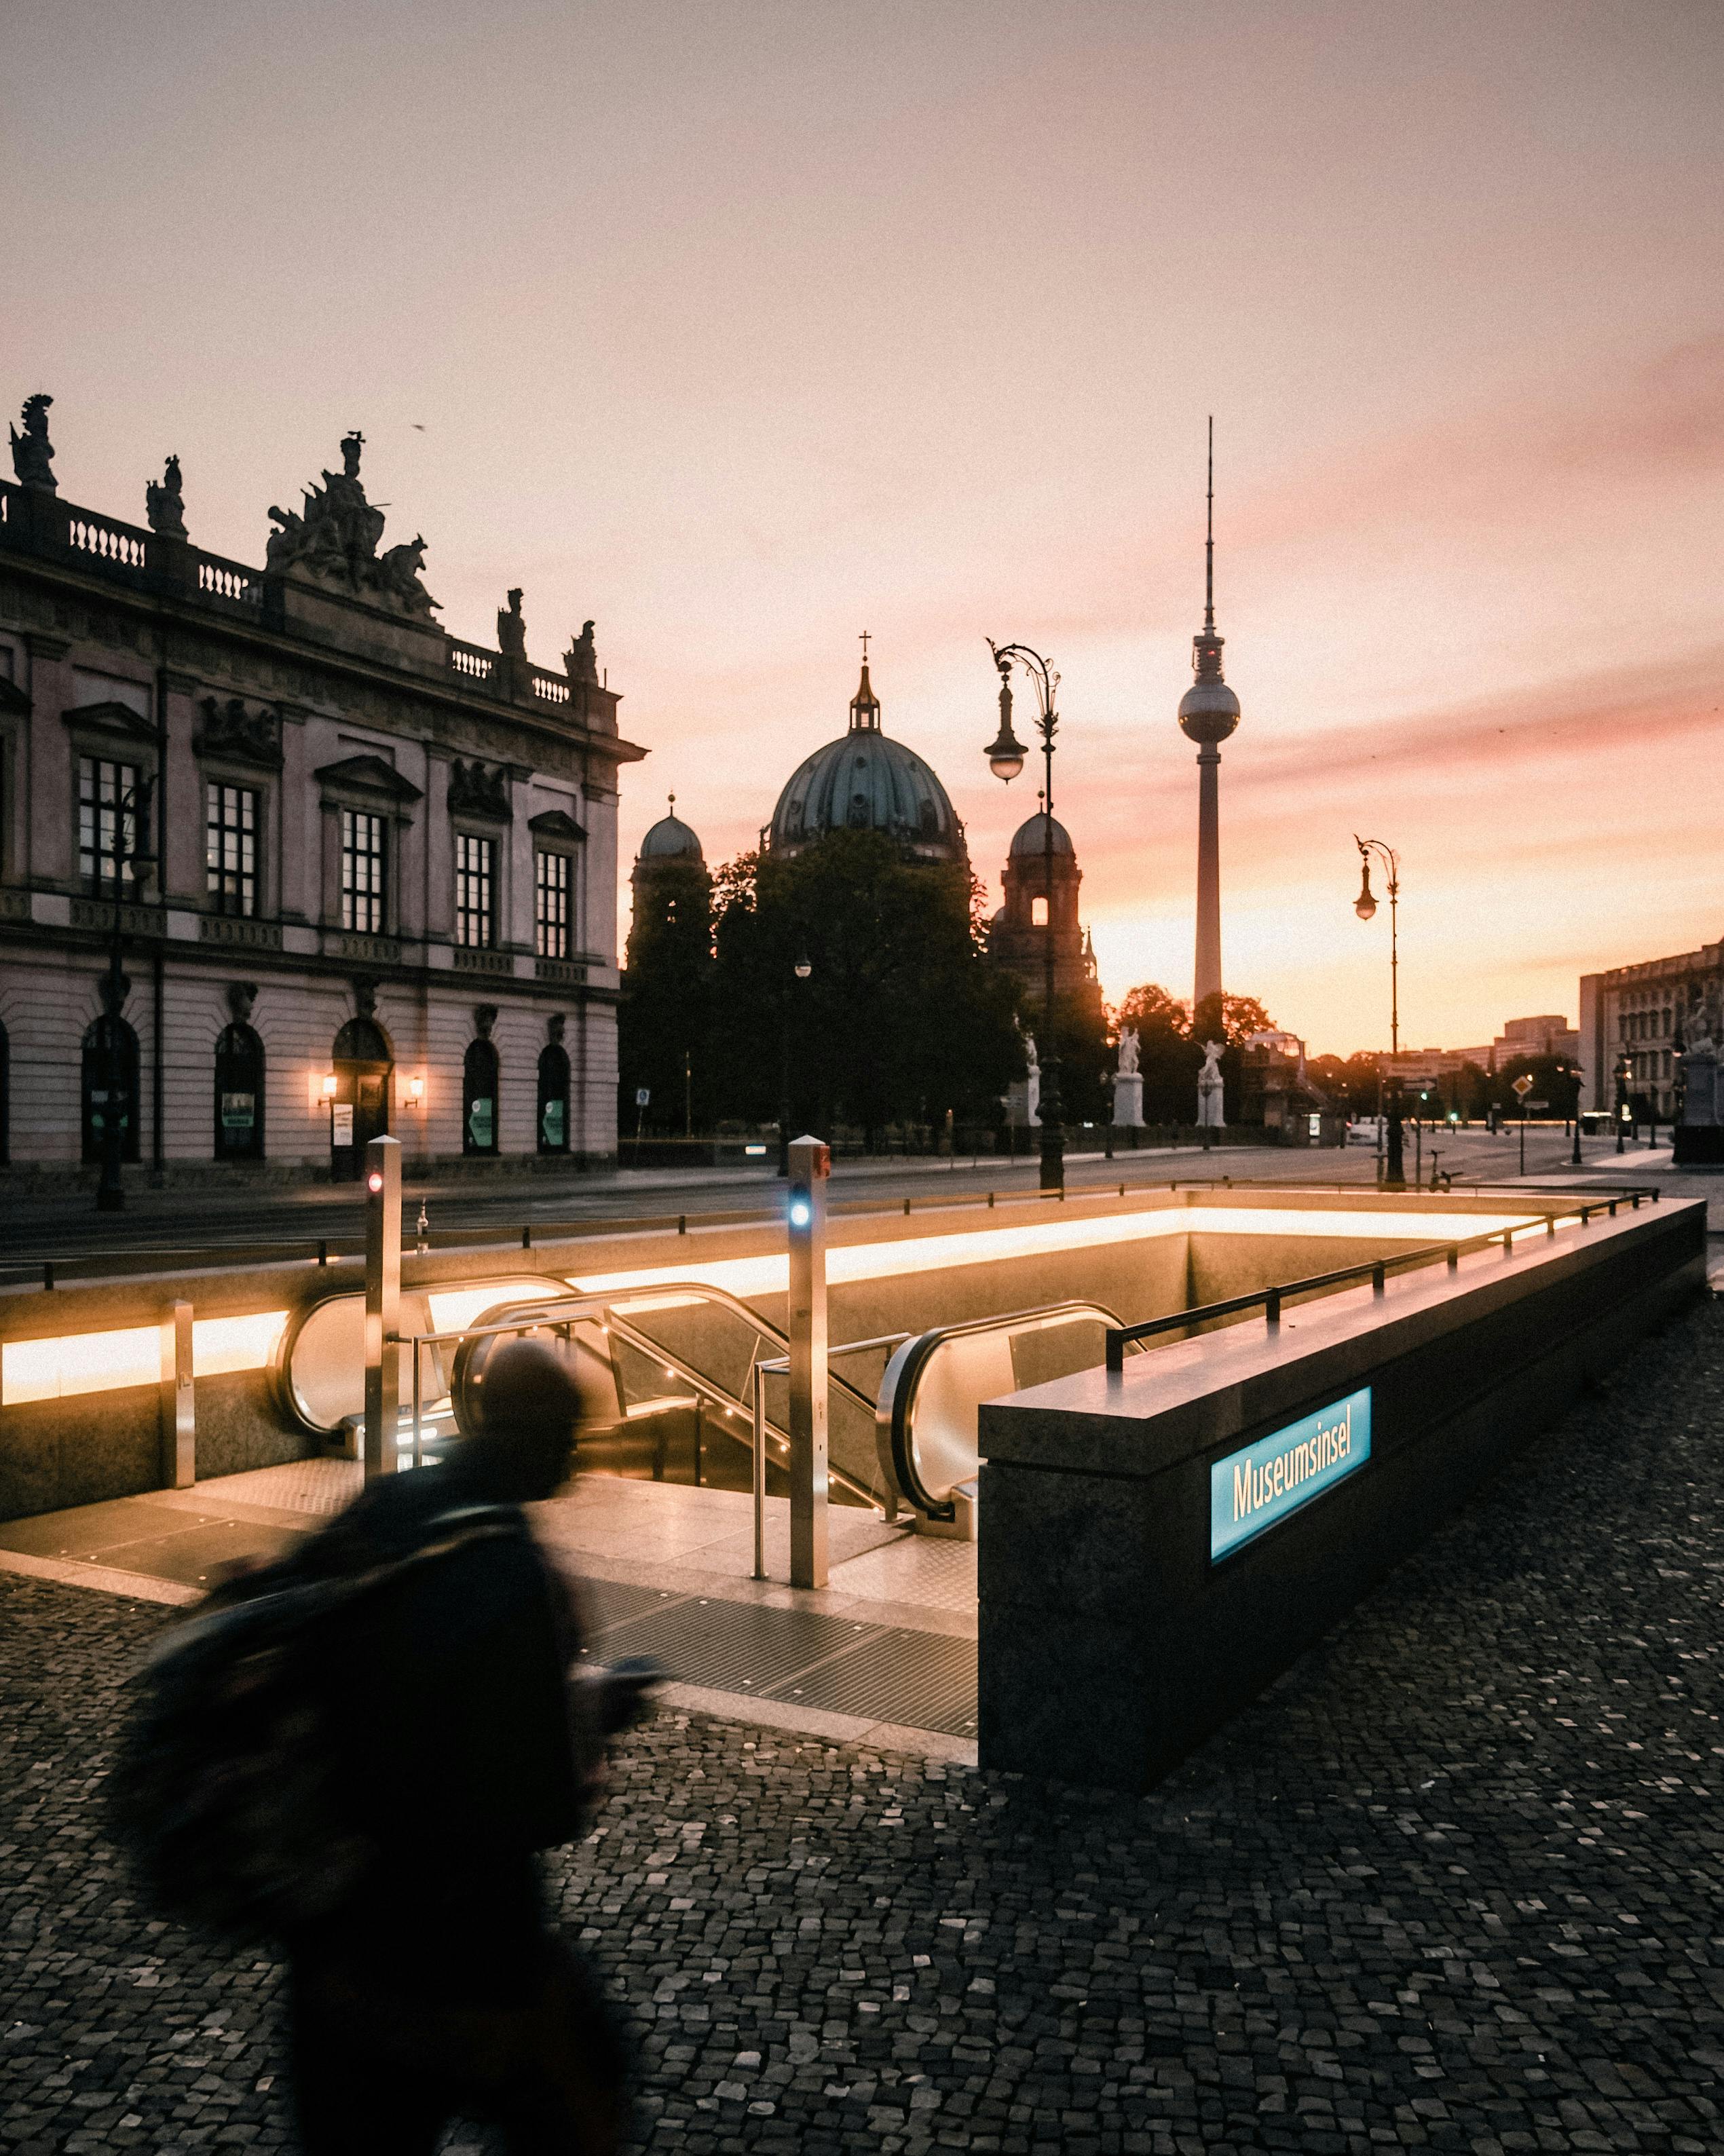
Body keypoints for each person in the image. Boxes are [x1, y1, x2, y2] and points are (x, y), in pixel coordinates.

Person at [283, 1338, 643, 2156]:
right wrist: (596, 1716)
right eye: (570, 1437)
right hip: (459, 1957)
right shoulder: (516, 1574)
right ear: (542, 1439)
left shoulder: (387, 1505)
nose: (578, 1459)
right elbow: (540, 1802)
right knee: (585, 2102)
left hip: (334, 1948)